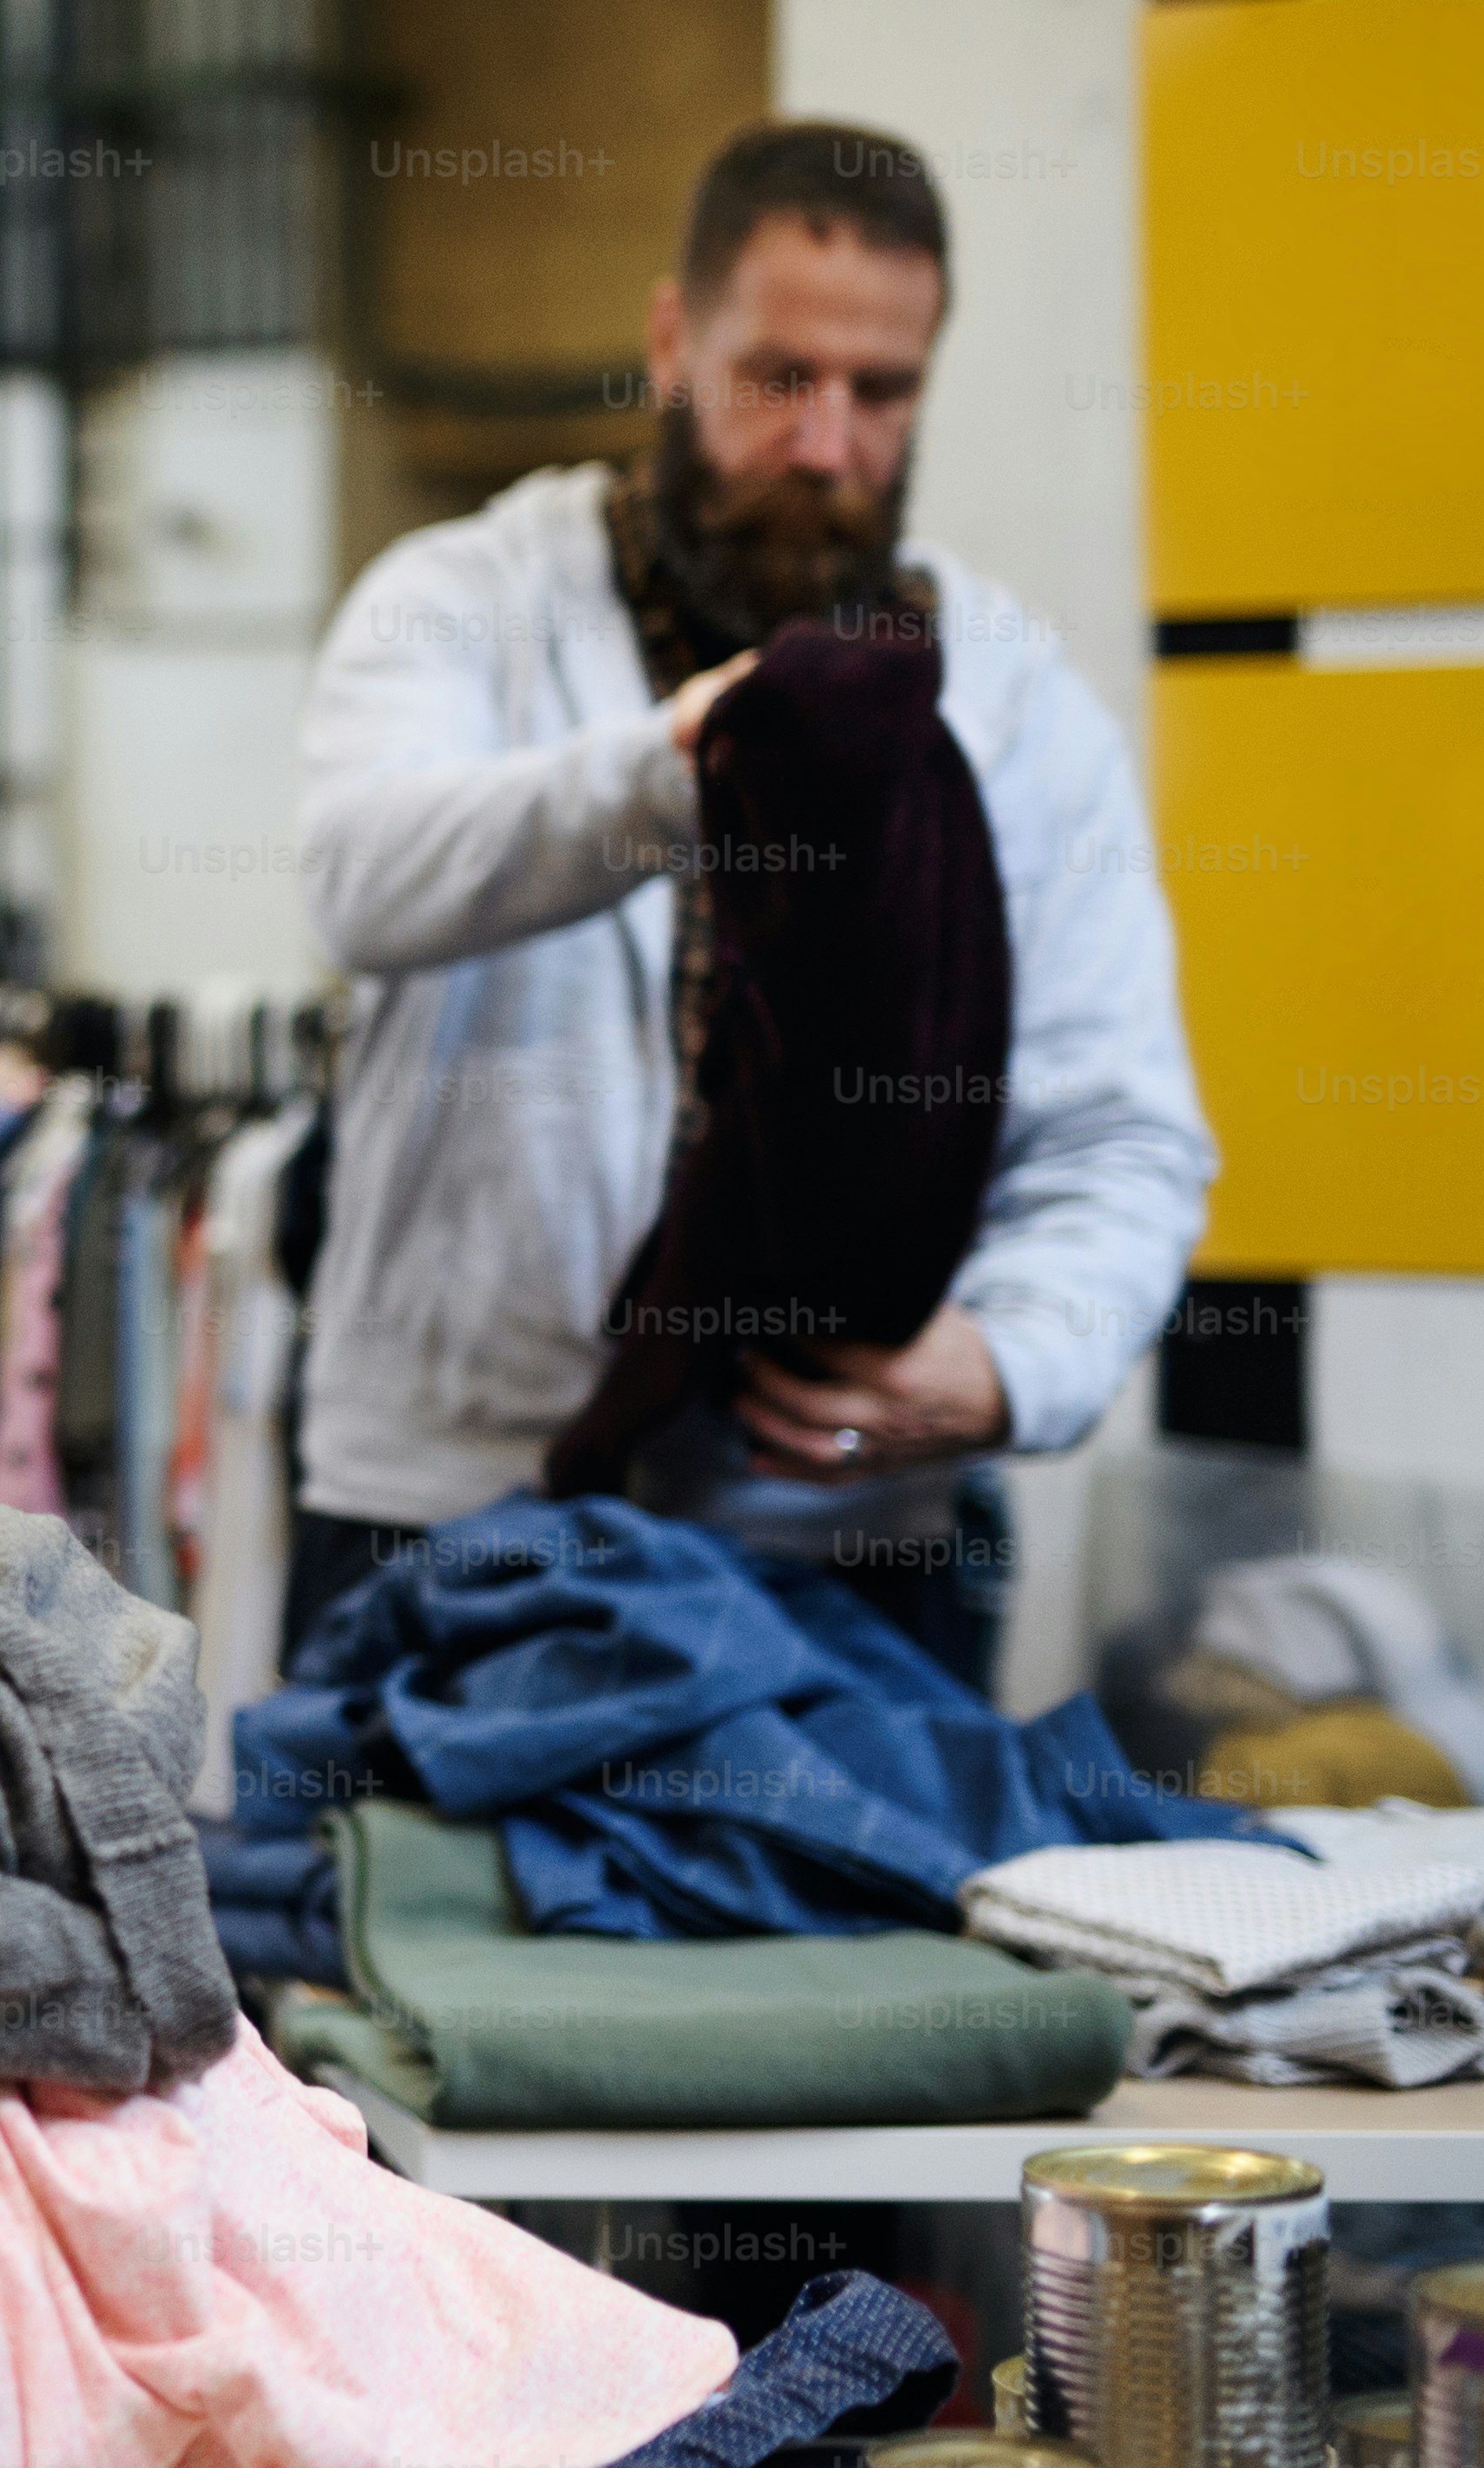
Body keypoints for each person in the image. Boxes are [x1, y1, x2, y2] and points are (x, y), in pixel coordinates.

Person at [285, 120, 1213, 1689]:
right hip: (445, 1504)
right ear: (672, 338)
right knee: (367, 1934)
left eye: (881, 390)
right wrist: (682, 766)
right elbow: (361, 872)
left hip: (849, 1534)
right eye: (777, 375)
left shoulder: (1016, 698)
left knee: (856, 1946)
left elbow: (1125, 1130)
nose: (825, 442)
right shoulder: (465, 602)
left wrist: (1009, 1361)